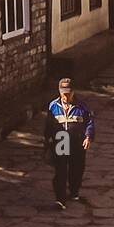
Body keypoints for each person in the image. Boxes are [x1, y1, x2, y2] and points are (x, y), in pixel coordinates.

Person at [44, 77, 95, 209]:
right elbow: (48, 125)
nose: (65, 96)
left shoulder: (81, 106)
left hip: (77, 141)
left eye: (68, 93)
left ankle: (74, 192)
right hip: (61, 140)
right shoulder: (53, 106)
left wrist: (88, 137)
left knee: (77, 168)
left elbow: (89, 122)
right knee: (60, 170)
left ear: (73, 92)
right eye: (63, 93)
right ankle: (60, 199)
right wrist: (47, 141)